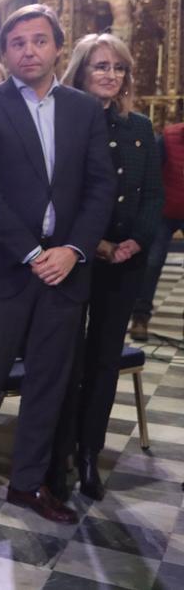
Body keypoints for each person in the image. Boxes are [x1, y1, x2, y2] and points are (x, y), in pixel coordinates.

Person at [0, 5, 115, 526]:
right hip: (5, 267)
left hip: (66, 269)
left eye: (39, 40)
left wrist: (73, 250)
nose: (28, 50)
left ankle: (29, 482)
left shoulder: (84, 109)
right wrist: (30, 252)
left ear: (58, 48)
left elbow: (100, 187)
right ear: (5, 50)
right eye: (17, 42)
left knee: (49, 381)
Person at [47, 33, 162, 501]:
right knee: (67, 358)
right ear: (80, 70)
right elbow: (60, 193)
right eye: (100, 66)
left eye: (118, 68)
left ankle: (90, 453)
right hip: (76, 258)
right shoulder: (65, 124)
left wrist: (135, 240)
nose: (111, 75)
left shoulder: (140, 128)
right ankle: (58, 453)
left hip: (124, 263)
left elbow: (153, 194)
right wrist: (92, 243)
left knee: (104, 362)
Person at [132, 122, 184, 339]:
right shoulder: (168, 137)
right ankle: (140, 317)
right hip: (164, 210)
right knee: (152, 263)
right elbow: (151, 173)